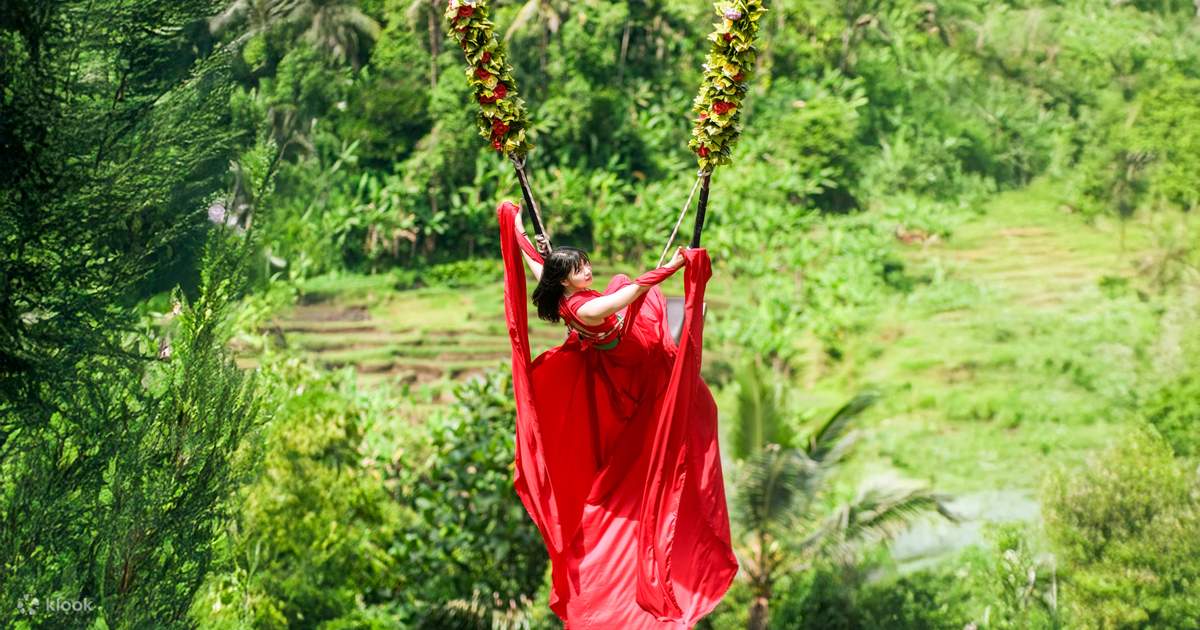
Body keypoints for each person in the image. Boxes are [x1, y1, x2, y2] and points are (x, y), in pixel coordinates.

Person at [496, 200, 737, 629]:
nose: (587, 272)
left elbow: (536, 264)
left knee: (624, 284)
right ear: (565, 282)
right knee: (629, 287)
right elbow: (633, 293)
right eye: (579, 270)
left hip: (626, 344)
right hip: (633, 363)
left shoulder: (560, 289)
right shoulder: (586, 309)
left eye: (585, 265)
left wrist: (517, 227)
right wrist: (678, 265)